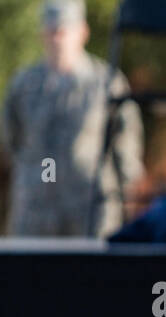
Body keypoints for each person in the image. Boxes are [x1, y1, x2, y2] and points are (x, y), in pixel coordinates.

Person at [1, 0, 143, 237]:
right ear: (42, 35)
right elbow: (11, 140)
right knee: (29, 273)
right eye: (52, 31)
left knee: (94, 273)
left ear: (83, 32)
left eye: (65, 31)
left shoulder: (106, 82)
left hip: (90, 209)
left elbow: (125, 145)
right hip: (35, 211)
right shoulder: (23, 84)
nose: (58, 38)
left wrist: (127, 194)